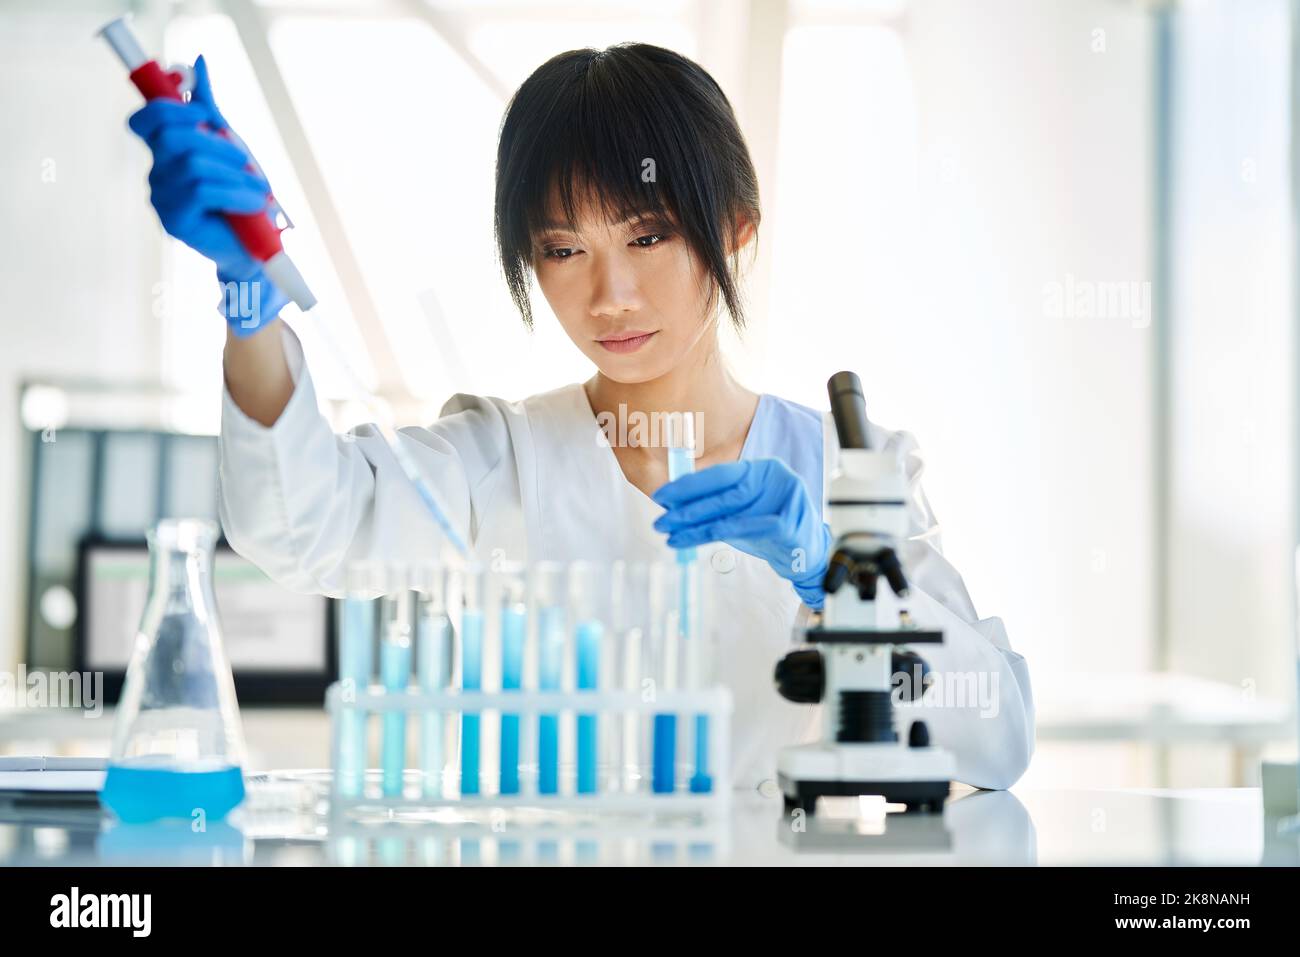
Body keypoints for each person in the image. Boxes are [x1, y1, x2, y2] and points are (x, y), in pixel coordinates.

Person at [126, 43, 1034, 791]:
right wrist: (252, 294)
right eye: (565, 249)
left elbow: (994, 737)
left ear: (737, 232)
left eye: (648, 235)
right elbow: (299, 523)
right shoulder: (506, 460)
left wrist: (832, 575)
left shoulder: (846, 470)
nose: (611, 295)